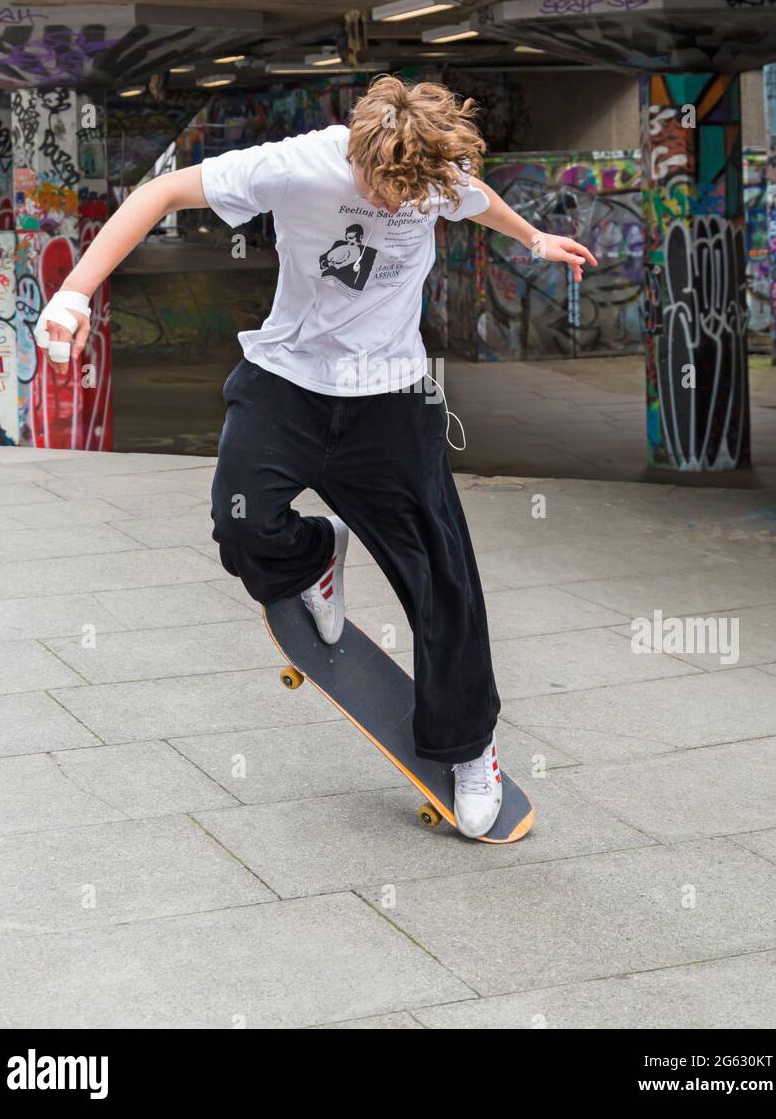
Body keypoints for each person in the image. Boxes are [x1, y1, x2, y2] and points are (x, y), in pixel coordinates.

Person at [34, 75, 596, 838]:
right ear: (357, 155)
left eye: (413, 199)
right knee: (241, 526)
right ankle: (313, 558)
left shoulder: (435, 174)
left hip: (392, 400)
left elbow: (477, 198)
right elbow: (160, 193)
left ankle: (468, 748)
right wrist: (74, 294)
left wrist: (531, 237)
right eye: (383, 191)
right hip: (288, 384)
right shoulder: (297, 163)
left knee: (443, 583)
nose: (400, 206)